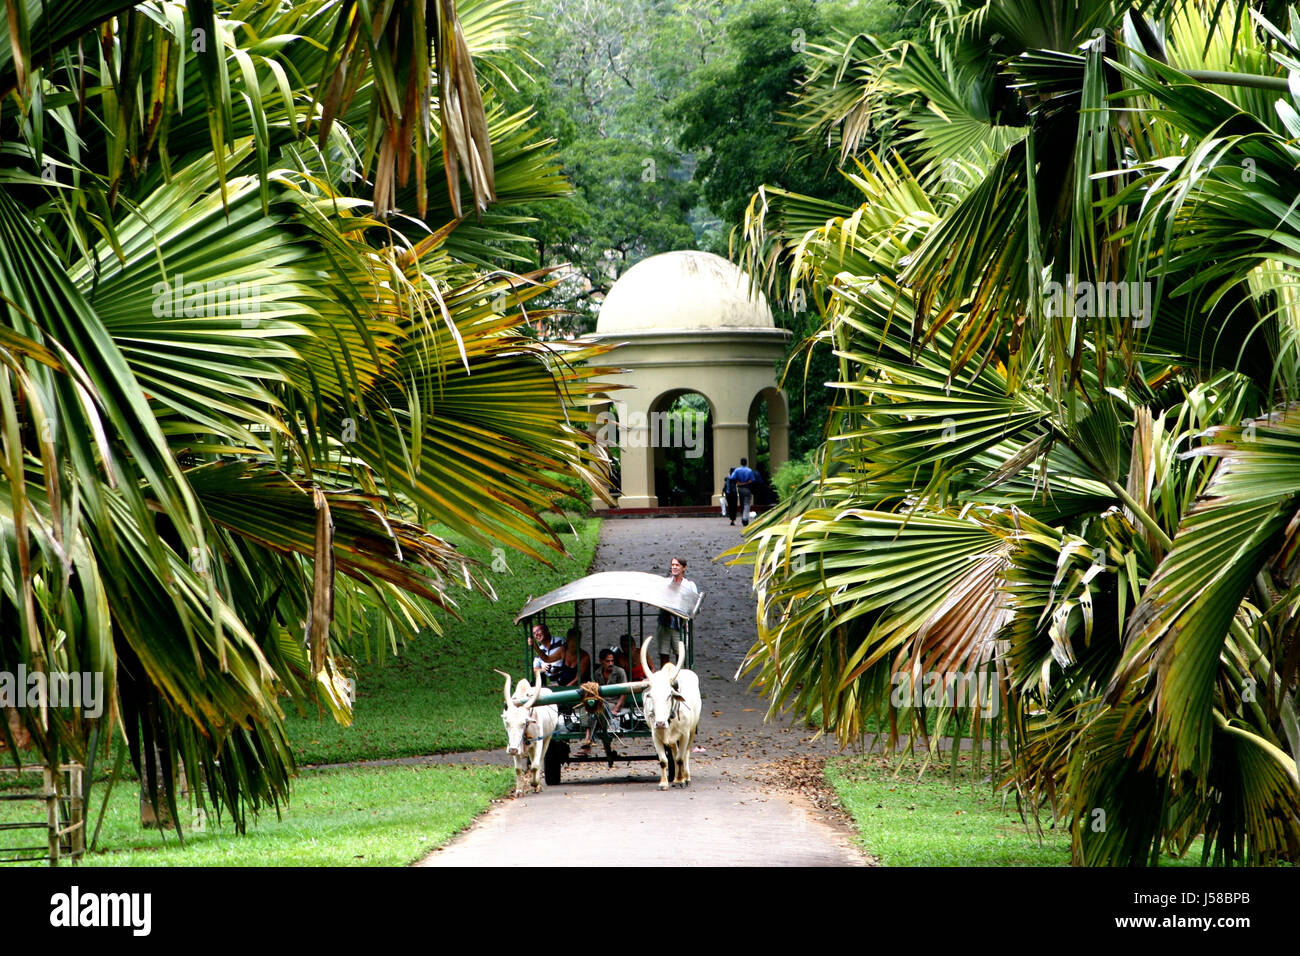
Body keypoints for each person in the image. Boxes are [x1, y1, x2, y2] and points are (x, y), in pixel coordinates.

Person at [579, 648, 629, 753]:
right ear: (601, 661)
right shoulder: (597, 673)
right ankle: (588, 739)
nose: (610, 663)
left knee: (599, 710)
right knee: (585, 709)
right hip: (600, 702)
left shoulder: (620, 672)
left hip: (612, 703)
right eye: (607, 661)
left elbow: (625, 692)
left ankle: (587, 741)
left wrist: (616, 708)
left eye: (612, 661)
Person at [653, 556, 698, 658]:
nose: (674, 567)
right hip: (664, 624)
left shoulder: (689, 585)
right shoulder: (665, 583)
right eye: (673, 565)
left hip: (680, 626)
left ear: (684, 568)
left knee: (680, 657)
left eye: (677, 565)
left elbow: (695, 606)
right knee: (663, 655)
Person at [733, 457, 759, 526]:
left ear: (740, 463)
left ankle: (743, 517)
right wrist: (746, 483)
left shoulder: (737, 470)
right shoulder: (749, 470)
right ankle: (745, 518)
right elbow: (752, 480)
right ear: (746, 463)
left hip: (740, 489)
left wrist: (738, 482)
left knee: (741, 503)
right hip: (747, 489)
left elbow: (732, 477)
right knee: (747, 503)